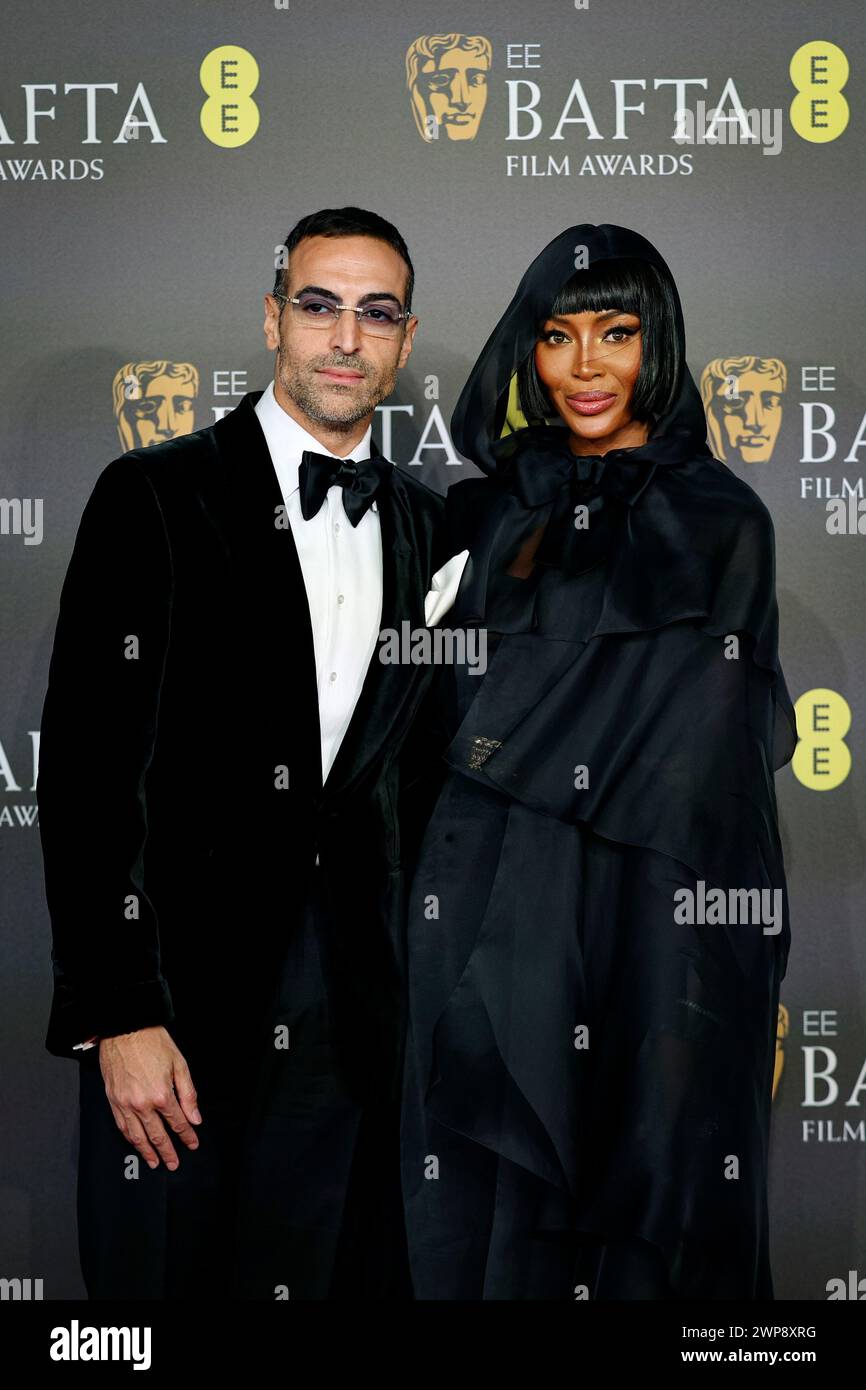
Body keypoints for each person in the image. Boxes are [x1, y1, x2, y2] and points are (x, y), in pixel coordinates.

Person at [37, 206, 448, 1300]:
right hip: (180, 1015)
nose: (345, 340)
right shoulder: (156, 497)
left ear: (405, 341)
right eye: (319, 307)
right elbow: (84, 774)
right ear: (272, 320)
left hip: (357, 1028)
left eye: (375, 314)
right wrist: (119, 1009)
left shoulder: (433, 530)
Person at [400, 223, 798, 1300]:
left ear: (655, 343)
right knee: (491, 1210)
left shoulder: (723, 523)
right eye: (558, 334)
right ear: (524, 348)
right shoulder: (477, 516)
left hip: (651, 926)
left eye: (615, 333)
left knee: (648, 1202)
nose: (585, 367)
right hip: (489, 915)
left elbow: (705, 774)